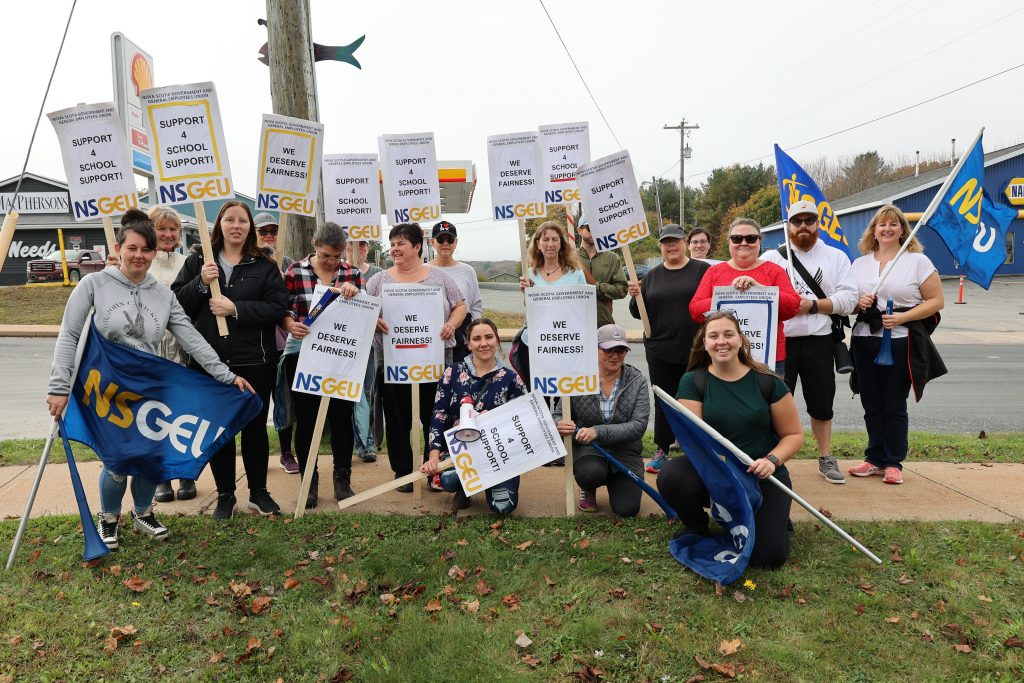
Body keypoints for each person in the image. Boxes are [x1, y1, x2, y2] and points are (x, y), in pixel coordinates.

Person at [46, 209, 253, 550]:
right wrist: (58, 387)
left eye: (146, 249)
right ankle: (109, 518)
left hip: (150, 387)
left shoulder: (163, 293)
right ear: (119, 248)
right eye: (132, 248)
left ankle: (143, 512)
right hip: (108, 387)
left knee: (148, 456)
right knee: (116, 460)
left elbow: (191, 338)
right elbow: (69, 335)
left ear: (154, 252)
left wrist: (226, 376)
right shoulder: (93, 284)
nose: (139, 255)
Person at [657, 311, 804, 568]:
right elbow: (697, 439)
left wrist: (772, 460)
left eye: (728, 334)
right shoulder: (693, 381)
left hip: (762, 475)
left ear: (740, 340)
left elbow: (793, 435)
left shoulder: (767, 381)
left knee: (767, 558)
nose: (721, 341)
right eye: (713, 336)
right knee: (672, 475)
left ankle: (775, 518)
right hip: (717, 472)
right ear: (704, 343)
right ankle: (697, 526)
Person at [172, 200, 288, 520]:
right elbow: (177, 305)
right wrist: (199, 283)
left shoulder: (263, 264)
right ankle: (225, 495)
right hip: (211, 363)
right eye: (229, 220)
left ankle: (259, 493)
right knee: (219, 431)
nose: (236, 225)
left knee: (254, 429)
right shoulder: (199, 260)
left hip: (256, 361)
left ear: (250, 227)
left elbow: (277, 309)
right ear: (219, 224)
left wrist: (235, 309)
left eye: (243, 220)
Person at [762, 200, 858, 485]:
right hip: (781, 342)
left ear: (818, 224)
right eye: (797, 221)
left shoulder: (836, 257)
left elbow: (850, 299)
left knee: (821, 403)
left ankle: (825, 457)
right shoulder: (773, 258)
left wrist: (812, 305)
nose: (803, 226)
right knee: (775, 404)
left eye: (809, 221)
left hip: (819, 340)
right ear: (788, 225)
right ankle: (773, 460)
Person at [366, 223, 467, 491]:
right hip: (393, 364)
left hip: (433, 361)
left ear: (417, 247)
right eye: (392, 244)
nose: (395, 249)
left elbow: (460, 306)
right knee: (397, 418)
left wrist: (452, 325)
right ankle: (403, 472)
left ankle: (434, 469)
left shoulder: (439, 278)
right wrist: (372, 320)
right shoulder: (378, 281)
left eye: (400, 244)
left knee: (435, 416)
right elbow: (365, 313)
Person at [848, 204, 944, 485]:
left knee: (893, 403)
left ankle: (893, 462)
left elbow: (936, 301)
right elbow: (849, 303)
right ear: (873, 231)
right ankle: (873, 458)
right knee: (871, 403)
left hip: (901, 341)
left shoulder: (917, 261)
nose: (887, 229)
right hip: (865, 339)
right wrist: (858, 303)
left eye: (893, 224)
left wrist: (902, 316)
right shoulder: (860, 264)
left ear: (903, 229)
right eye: (881, 224)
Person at [281, 223, 364, 508]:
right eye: (327, 255)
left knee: (342, 418)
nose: (332, 261)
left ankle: (342, 479)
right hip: (304, 355)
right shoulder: (295, 271)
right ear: (315, 244)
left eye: (337, 256)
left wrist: (356, 293)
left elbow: (362, 315)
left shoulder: (353, 273)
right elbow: (287, 309)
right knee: (306, 420)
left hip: (342, 358)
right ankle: (309, 481)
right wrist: (292, 325)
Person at [421, 318, 528, 513]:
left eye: (489, 337)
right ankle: (465, 487)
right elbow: (439, 415)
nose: (484, 343)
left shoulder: (512, 379)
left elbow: (523, 423)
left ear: (497, 340)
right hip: (461, 452)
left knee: (503, 508)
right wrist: (434, 457)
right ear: (468, 344)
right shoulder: (452, 372)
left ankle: (486, 482)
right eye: (477, 339)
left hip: (498, 453)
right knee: (448, 480)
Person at [627, 224, 710, 474]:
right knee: (664, 400)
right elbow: (636, 313)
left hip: (696, 349)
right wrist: (635, 296)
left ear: (685, 242)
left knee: (697, 399)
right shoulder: (651, 276)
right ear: (661, 246)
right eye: (666, 242)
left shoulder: (702, 270)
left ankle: (698, 449)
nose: (671, 246)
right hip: (659, 349)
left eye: (675, 241)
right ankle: (663, 449)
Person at [554, 324, 650, 516]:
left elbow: (638, 426)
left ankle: (616, 482)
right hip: (589, 450)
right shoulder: (578, 377)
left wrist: (598, 431)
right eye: (608, 350)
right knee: (590, 474)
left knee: (627, 510)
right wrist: (561, 424)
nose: (615, 356)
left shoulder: (637, 380)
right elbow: (558, 414)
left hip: (625, 453)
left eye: (621, 350)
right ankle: (588, 488)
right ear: (594, 349)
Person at [689, 218, 802, 373]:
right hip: (723, 357)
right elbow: (695, 310)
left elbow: (793, 306)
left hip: (768, 356)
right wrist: (730, 295)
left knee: (771, 398)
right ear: (729, 242)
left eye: (750, 238)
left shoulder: (775, 271)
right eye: (737, 238)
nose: (744, 243)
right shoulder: (714, 271)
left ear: (759, 241)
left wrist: (760, 290)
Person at [145, 205, 197, 504]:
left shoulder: (187, 262)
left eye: (172, 229)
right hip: (152, 350)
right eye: (161, 228)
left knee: (184, 413)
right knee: (155, 415)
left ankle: (186, 473)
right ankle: (161, 477)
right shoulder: (141, 262)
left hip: (182, 349)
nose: (167, 234)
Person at [252, 212, 300, 475]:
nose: (269, 235)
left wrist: (280, 278)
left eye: (273, 230)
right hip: (255, 345)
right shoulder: (247, 262)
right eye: (263, 231)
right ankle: (256, 453)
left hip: (283, 345)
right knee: (256, 404)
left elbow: (294, 301)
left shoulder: (288, 263)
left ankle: (286, 452)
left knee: (284, 401)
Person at [514, 221, 587, 387]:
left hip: (565, 345)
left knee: (566, 399)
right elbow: (531, 311)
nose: (550, 244)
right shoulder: (529, 274)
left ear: (561, 243)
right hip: (534, 345)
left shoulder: (576, 274)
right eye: (545, 239)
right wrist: (525, 293)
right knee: (540, 397)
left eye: (555, 239)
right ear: (538, 244)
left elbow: (583, 311)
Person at [346, 239, 383, 464]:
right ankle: (360, 442)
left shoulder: (378, 274)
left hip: (369, 346)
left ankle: (368, 442)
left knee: (366, 394)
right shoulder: (340, 272)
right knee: (349, 394)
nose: (357, 249)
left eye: (362, 245)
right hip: (344, 346)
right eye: (351, 245)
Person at [429, 220, 483, 363]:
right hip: (431, 334)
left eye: (450, 239)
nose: (445, 243)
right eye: (441, 239)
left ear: (456, 242)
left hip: (461, 336)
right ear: (432, 242)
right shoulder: (423, 270)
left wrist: (473, 334)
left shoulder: (468, 271)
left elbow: (475, 306)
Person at [576, 212, 628, 327]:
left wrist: (597, 288)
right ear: (579, 230)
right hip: (576, 324)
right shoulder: (569, 258)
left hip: (604, 324)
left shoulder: (612, 258)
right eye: (589, 228)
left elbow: (622, 289)